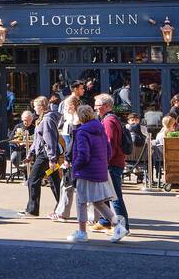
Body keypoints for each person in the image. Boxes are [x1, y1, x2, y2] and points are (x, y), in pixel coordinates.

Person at [68, 105, 125, 243]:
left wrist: (75, 168)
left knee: (81, 201)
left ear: (80, 116)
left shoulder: (82, 132)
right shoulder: (100, 129)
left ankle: (82, 232)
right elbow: (108, 151)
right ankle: (118, 226)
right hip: (100, 171)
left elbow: (83, 155)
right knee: (99, 202)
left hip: (85, 172)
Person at [95, 93, 130, 234]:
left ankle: (123, 227)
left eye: (98, 105)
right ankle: (105, 222)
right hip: (112, 162)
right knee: (106, 195)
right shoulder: (109, 119)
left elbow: (109, 144)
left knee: (115, 197)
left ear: (106, 106)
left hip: (112, 164)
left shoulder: (109, 121)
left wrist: (104, 162)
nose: (95, 108)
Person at [21, 96, 61, 217]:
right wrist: (30, 154)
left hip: (45, 155)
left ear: (42, 107)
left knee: (33, 180)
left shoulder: (47, 120)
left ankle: (32, 210)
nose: (34, 109)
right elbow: (37, 140)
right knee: (54, 181)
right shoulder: (42, 119)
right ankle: (62, 208)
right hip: (47, 154)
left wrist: (52, 159)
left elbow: (49, 140)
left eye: (35, 106)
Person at [52, 93, 82, 222]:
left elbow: (73, 142)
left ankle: (62, 213)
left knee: (68, 185)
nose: (64, 108)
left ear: (72, 106)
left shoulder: (75, 121)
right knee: (69, 185)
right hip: (72, 156)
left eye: (66, 106)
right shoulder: (70, 119)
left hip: (73, 158)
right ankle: (62, 212)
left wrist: (67, 158)